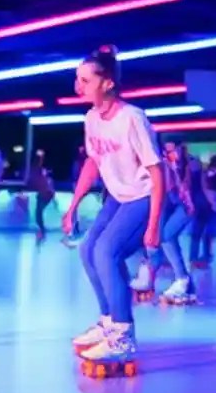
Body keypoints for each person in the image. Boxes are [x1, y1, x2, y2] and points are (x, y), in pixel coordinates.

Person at [63, 46, 163, 364]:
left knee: (106, 250)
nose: (78, 86)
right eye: (77, 79)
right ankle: (108, 320)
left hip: (143, 196)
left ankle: (123, 335)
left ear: (107, 83)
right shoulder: (92, 118)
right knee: (86, 249)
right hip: (117, 197)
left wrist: (153, 225)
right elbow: (94, 163)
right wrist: (73, 205)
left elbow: (157, 173)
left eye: (85, 80)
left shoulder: (132, 118)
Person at [130, 140, 197, 304]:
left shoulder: (191, 165)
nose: (170, 154)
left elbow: (187, 188)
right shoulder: (162, 165)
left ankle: (182, 278)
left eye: (173, 150)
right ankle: (176, 280)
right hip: (169, 201)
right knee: (159, 238)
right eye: (166, 151)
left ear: (182, 149)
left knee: (167, 236)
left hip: (189, 204)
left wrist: (176, 168)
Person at [28, 149, 57, 241]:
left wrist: (52, 195)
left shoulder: (43, 170)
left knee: (38, 213)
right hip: (43, 193)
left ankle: (42, 230)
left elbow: (48, 182)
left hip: (46, 193)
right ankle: (42, 230)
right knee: (38, 213)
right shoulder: (37, 169)